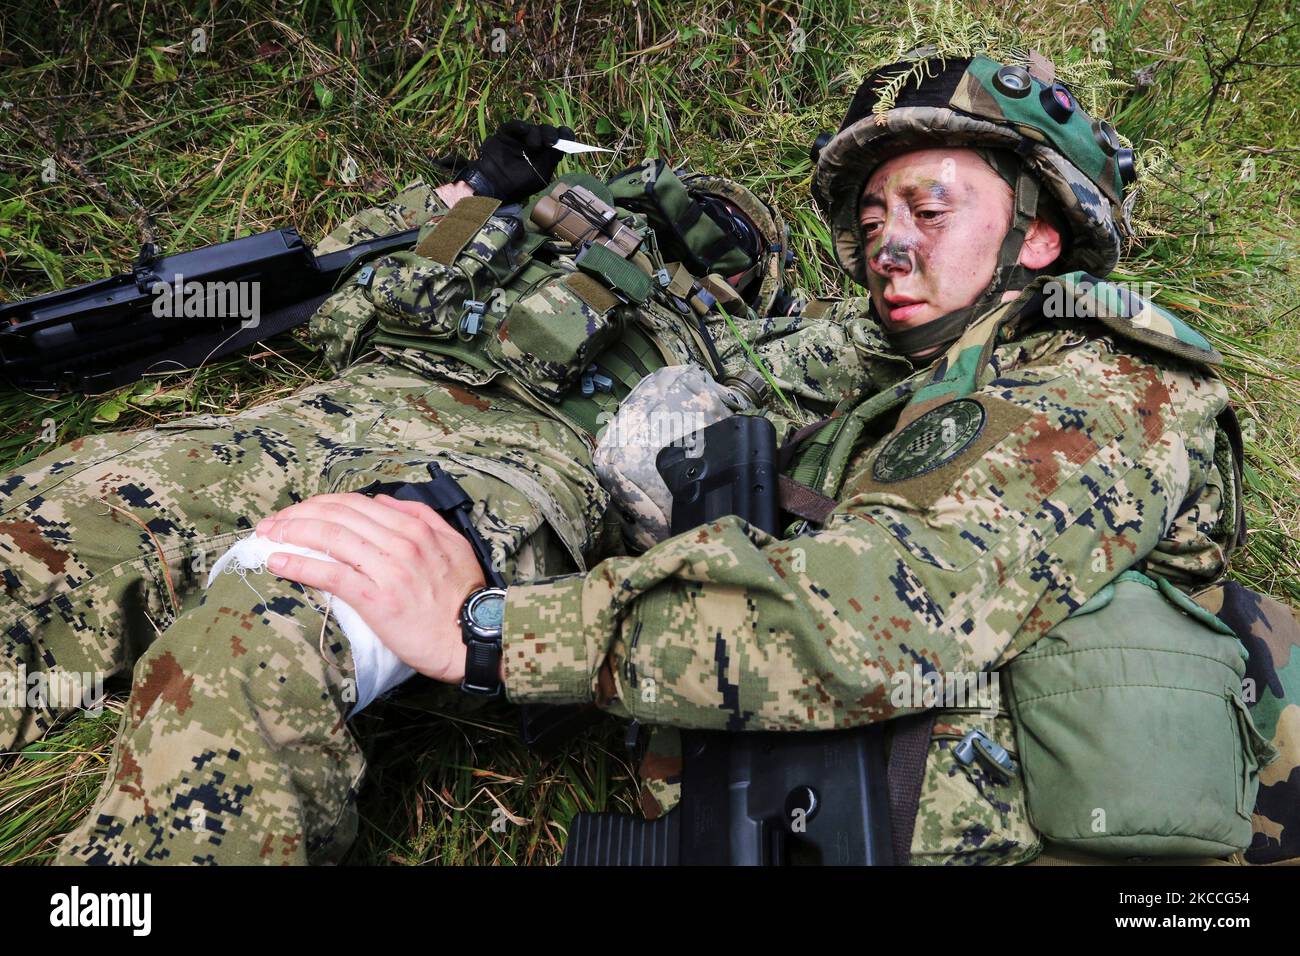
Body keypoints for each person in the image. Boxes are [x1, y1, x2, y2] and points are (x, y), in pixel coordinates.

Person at [256, 48, 1295, 865]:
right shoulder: (904, 364)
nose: (888, 242)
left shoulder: (1098, 384)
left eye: (928, 208)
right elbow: (716, 357)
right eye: (874, 217)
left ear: (1036, 235)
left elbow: (881, 613)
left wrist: (486, 629)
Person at [0, 119, 879, 864]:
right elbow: (319, 273)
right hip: (344, 405)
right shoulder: (497, 229)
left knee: (273, 628)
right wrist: (467, 192)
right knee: (58, 524)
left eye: (729, 228)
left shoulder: (752, 346)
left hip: (509, 468)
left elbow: (888, 337)